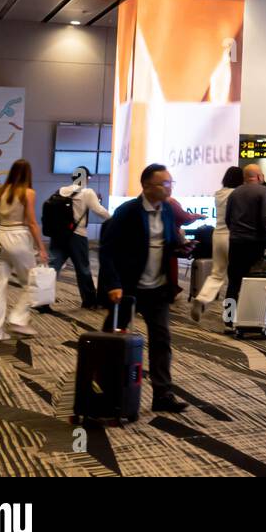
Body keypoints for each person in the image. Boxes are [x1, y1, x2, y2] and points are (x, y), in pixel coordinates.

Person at [96, 164, 189, 413]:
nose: (169, 188)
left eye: (171, 183)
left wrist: (181, 246)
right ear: (147, 186)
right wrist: (113, 284)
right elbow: (107, 251)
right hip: (128, 289)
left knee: (161, 341)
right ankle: (103, 388)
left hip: (157, 289)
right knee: (112, 339)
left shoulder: (168, 210)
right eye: (164, 184)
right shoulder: (128, 212)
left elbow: (167, 241)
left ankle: (162, 395)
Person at [0, 160, 48, 342]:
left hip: (0, 237)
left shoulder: (1, 192)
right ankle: (18, 318)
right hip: (19, 238)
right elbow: (32, 222)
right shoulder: (28, 193)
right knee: (32, 283)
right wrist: (41, 247)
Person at [223, 164, 266, 327]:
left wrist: (236, 233)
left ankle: (228, 317)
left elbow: (228, 219)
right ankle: (255, 315)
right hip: (255, 242)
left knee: (233, 281)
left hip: (235, 241)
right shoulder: (264, 191)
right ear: (259, 177)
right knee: (255, 279)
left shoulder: (235, 193)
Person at [50, 168, 109, 309]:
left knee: (53, 268)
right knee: (83, 268)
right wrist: (115, 219)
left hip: (59, 235)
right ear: (86, 178)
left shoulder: (61, 190)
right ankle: (89, 301)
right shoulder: (87, 192)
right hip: (77, 235)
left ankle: (42, 299)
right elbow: (99, 211)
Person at [191, 166, 243, 322]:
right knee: (235, 280)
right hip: (232, 237)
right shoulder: (237, 194)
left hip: (218, 235)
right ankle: (230, 316)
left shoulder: (218, 194)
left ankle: (203, 297)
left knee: (217, 274)